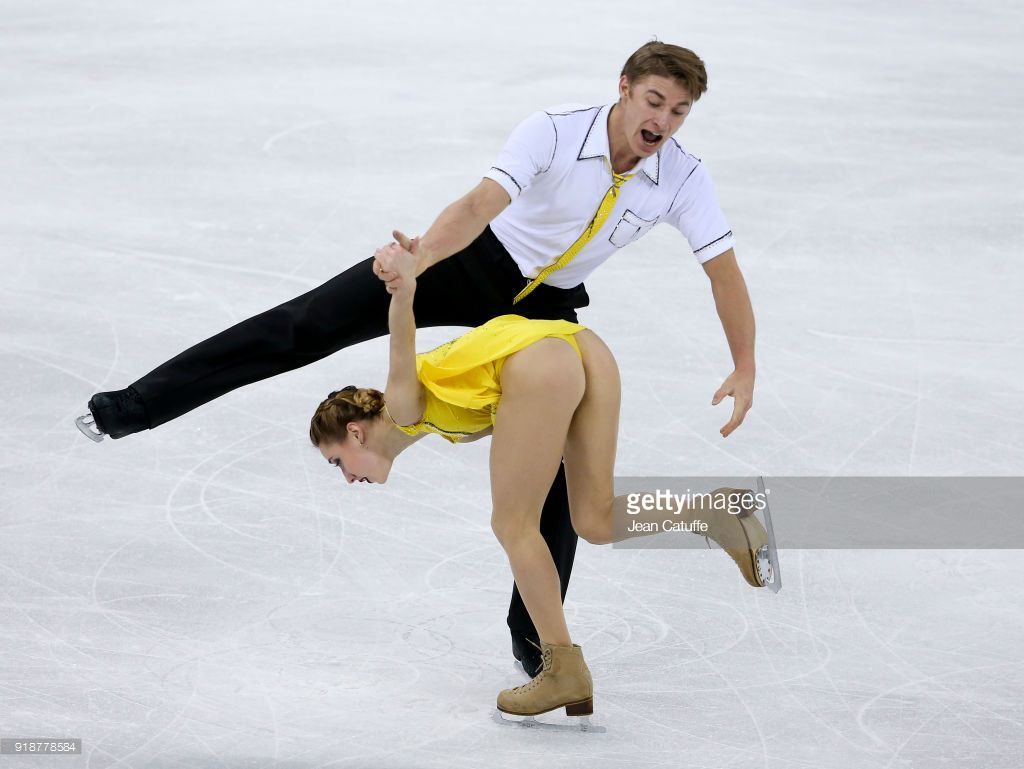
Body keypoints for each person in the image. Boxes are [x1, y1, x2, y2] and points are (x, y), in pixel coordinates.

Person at [75, 41, 758, 678]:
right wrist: (417, 263)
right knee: (306, 324)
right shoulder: (555, 129)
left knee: (555, 473)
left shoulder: (682, 177)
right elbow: (478, 204)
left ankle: (539, 647)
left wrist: (744, 360)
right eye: (654, 102)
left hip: (544, 309)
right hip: (469, 262)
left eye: (678, 110)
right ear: (625, 90)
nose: (663, 120)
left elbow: (723, 273)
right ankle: (133, 407)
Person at [308, 242, 770, 717]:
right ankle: (717, 513)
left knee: (512, 525)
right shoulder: (435, 403)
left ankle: (563, 669)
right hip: (584, 349)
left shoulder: (402, 407)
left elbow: (400, 339)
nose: (345, 477)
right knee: (594, 517)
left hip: (541, 363)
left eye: (337, 461)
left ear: (356, 433)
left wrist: (403, 287)